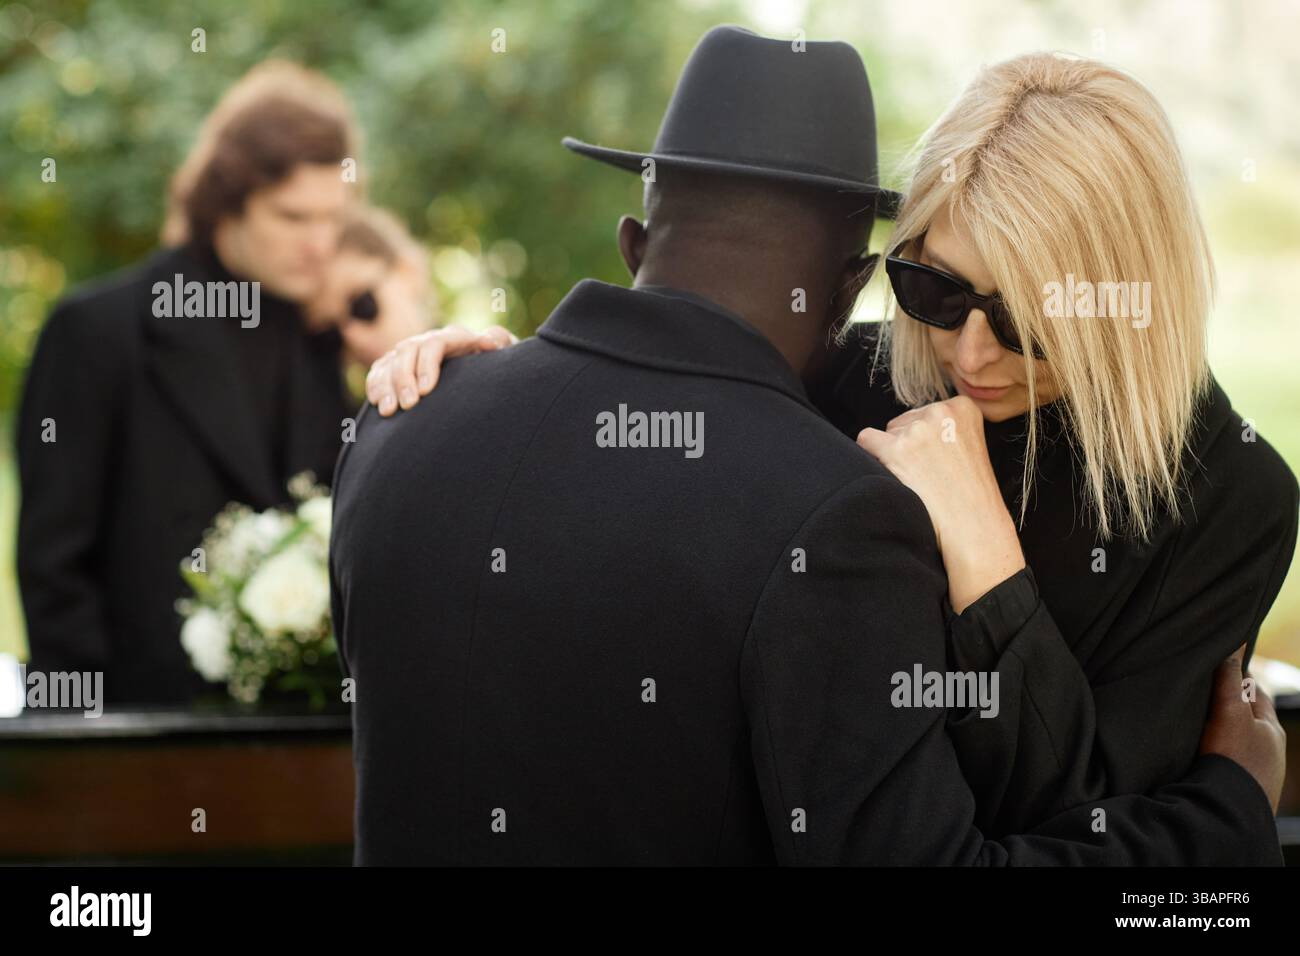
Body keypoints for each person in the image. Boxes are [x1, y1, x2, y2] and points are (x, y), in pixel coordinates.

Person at [331, 27, 1284, 865]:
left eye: (1029, 320)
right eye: (936, 291)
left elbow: (1080, 817)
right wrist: (482, 382)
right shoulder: (852, 375)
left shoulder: (1224, 493)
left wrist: (989, 570)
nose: (969, 352)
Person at [17, 61, 425, 705]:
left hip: (302, 738)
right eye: (294, 217)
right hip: (144, 735)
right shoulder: (96, 333)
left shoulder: (328, 341)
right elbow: (54, 575)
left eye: (333, 219)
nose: (321, 244)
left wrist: (400, 340)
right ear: (224, 204)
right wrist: (87, 756)